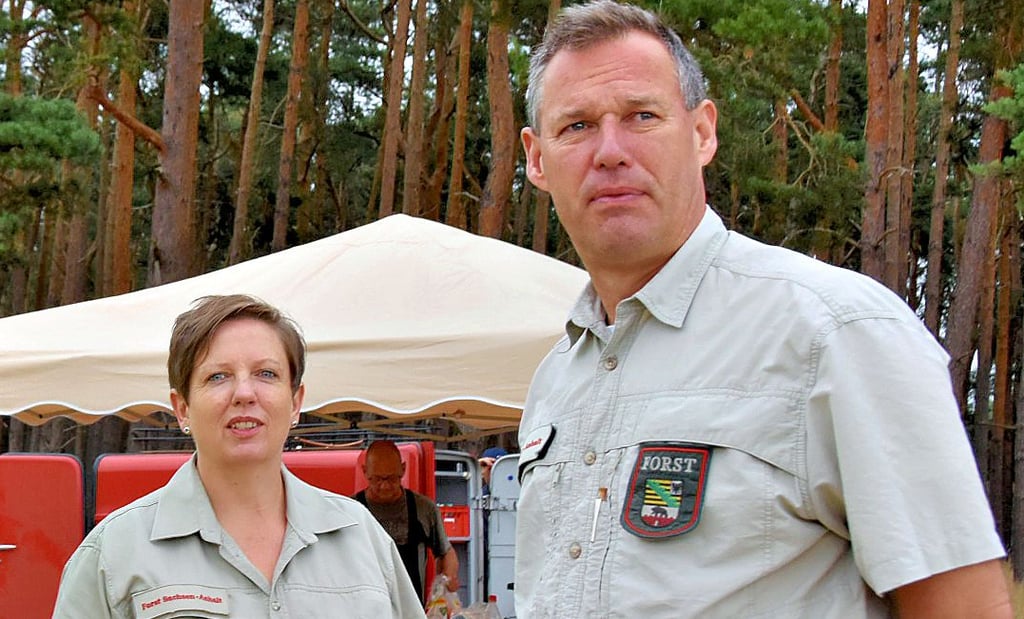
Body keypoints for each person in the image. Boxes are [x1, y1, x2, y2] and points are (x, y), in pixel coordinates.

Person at [514, 2, 1012, 618]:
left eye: (642, 116)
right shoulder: (557, 379)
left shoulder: (835, 333)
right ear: (537, 159)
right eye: (578, 126)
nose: (610, 151)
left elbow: (963, 607)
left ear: (702, 133)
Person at [52, 294, 424, 618]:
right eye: (218, 376)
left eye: (266, 373)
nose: (245, 393)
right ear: (182, 408)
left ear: (295, 402)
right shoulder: (113, 553)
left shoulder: (363, 539)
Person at [355, 440, 460, 602]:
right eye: (376, 479)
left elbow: (445, 551)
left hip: (411, 609)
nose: (384, 486)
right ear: (364, 471)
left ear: (403, 470)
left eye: (391, 478)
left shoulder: (424, 508)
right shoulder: (352, 510)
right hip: (364, 609)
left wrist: (448, 579)